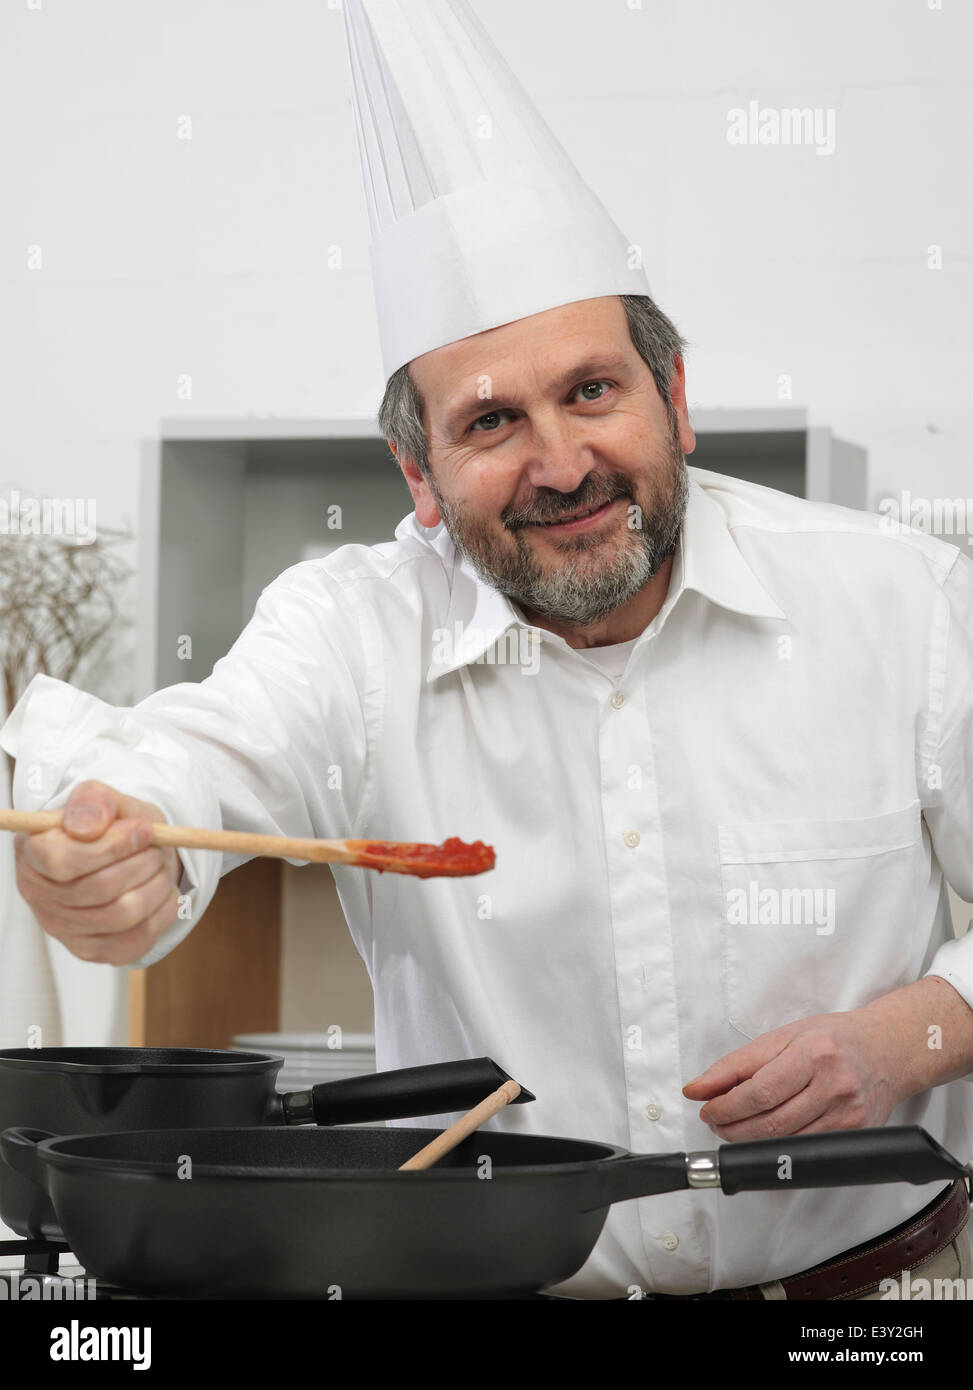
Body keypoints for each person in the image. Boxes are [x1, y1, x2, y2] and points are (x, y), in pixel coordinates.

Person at [3, 2, 972, 1300]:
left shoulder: (898, 602)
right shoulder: (349, 632)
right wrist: (109, 850)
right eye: (489, 421)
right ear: (417, 472)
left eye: (590, 391)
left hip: (875, 1298)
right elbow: (181, 772)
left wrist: (910, 1034)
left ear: (674, 400)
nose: (561, 462)